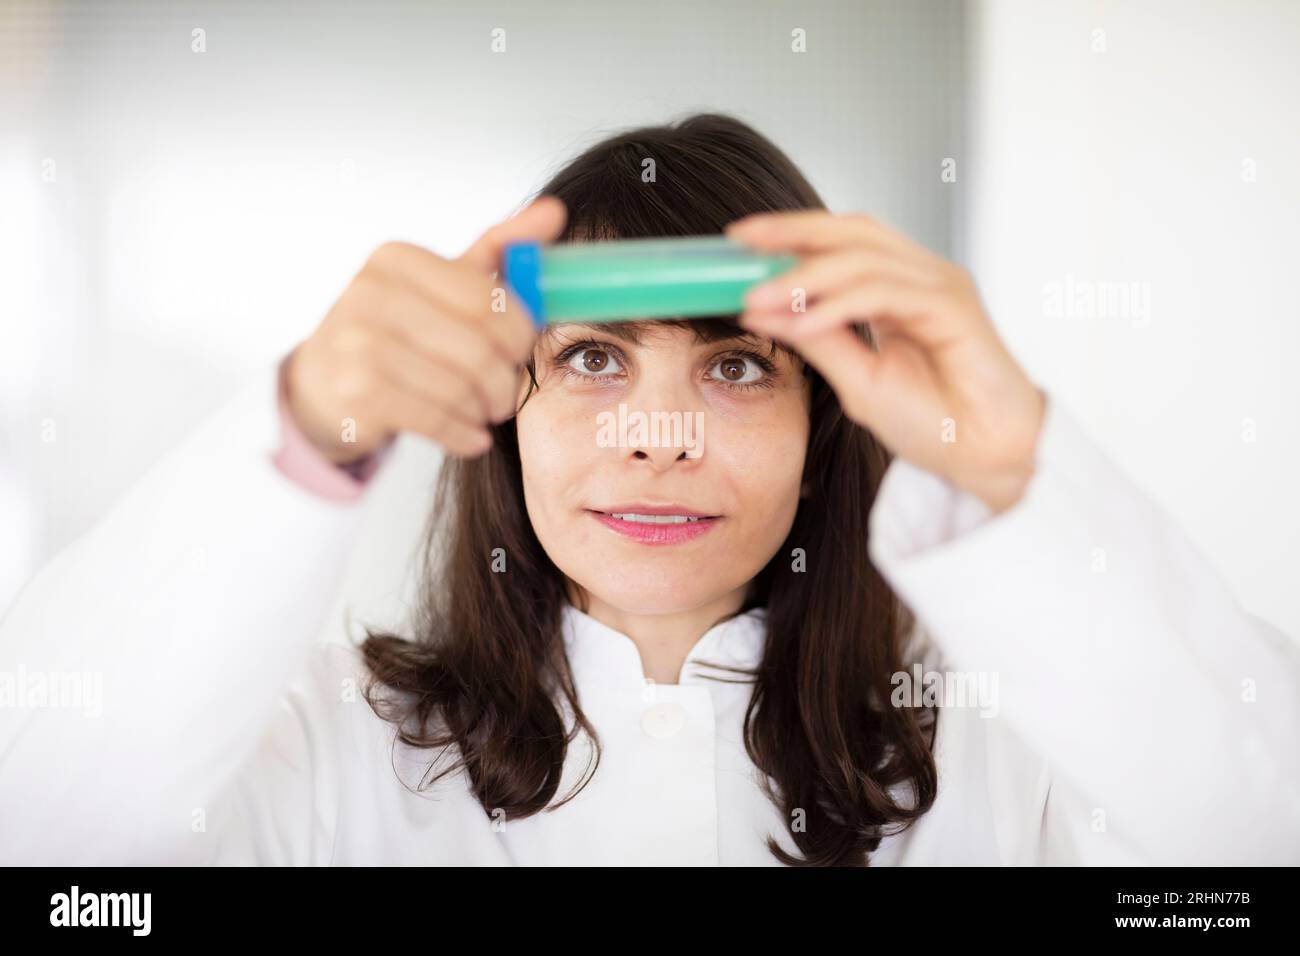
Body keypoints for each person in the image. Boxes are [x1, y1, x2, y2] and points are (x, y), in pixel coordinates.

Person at [2, 113, 1297, 866]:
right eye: (594, 358)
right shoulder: (326, 755)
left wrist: (1016, 463)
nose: (661, 434)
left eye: (736, 365)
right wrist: (295, 433)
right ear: (506, 413)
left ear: (822, 430)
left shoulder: (1015, 761)